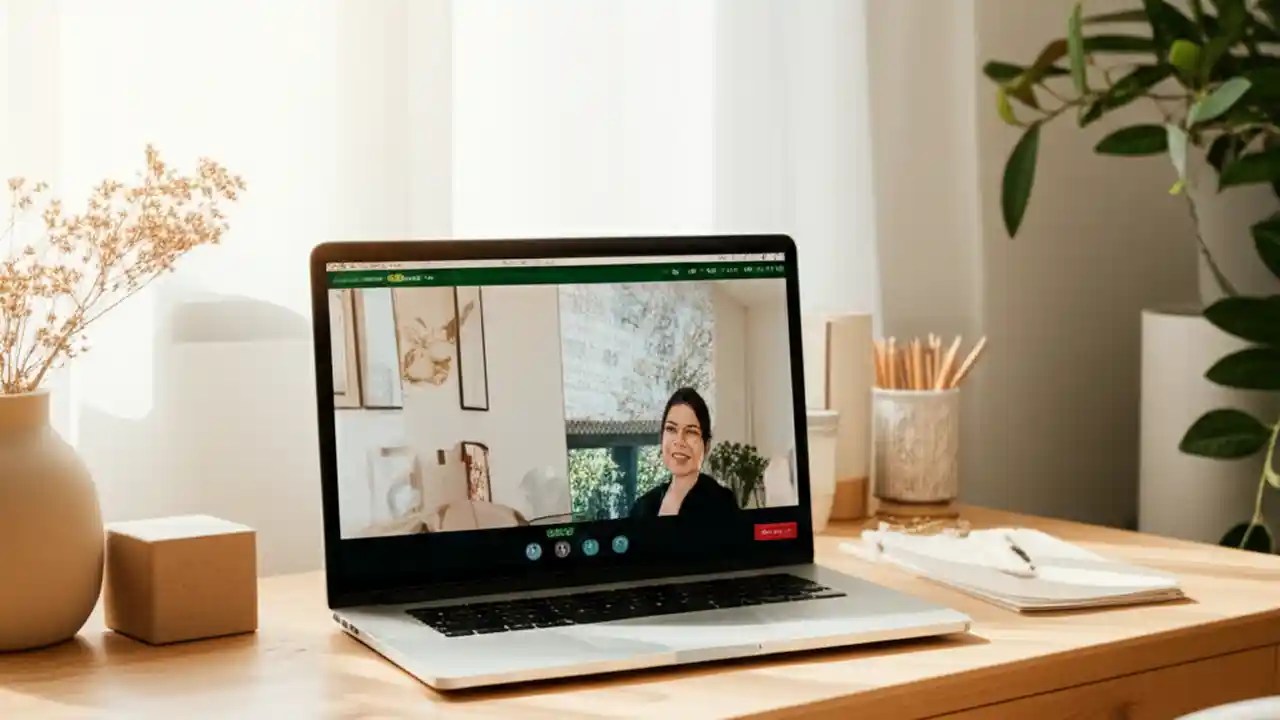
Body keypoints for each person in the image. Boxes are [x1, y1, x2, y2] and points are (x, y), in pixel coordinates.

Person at [629, 387, 740, 521]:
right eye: (671, 429)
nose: (679, 441)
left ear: (706, 445)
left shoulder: (721, 503)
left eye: (691, 432)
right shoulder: (643, 507)